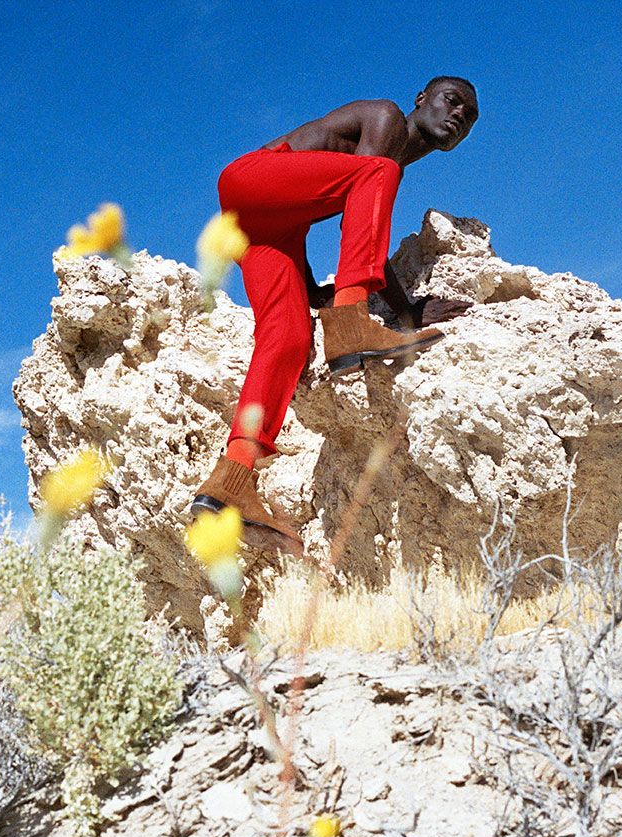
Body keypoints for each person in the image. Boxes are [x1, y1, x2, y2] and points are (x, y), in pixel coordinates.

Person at [190, 76, 480, 554]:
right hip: (251, 179)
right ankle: (349, 324)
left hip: (264, 225)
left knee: (287, 338)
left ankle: (231, 481)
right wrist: (405, 310)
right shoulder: (386, 118)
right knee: (378, 174)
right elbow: (360, 206)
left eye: (469, 119)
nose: (458, 117)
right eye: (452, 102)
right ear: (421, 99)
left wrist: (310, 290)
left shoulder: (384, 155)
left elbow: (324, 213)